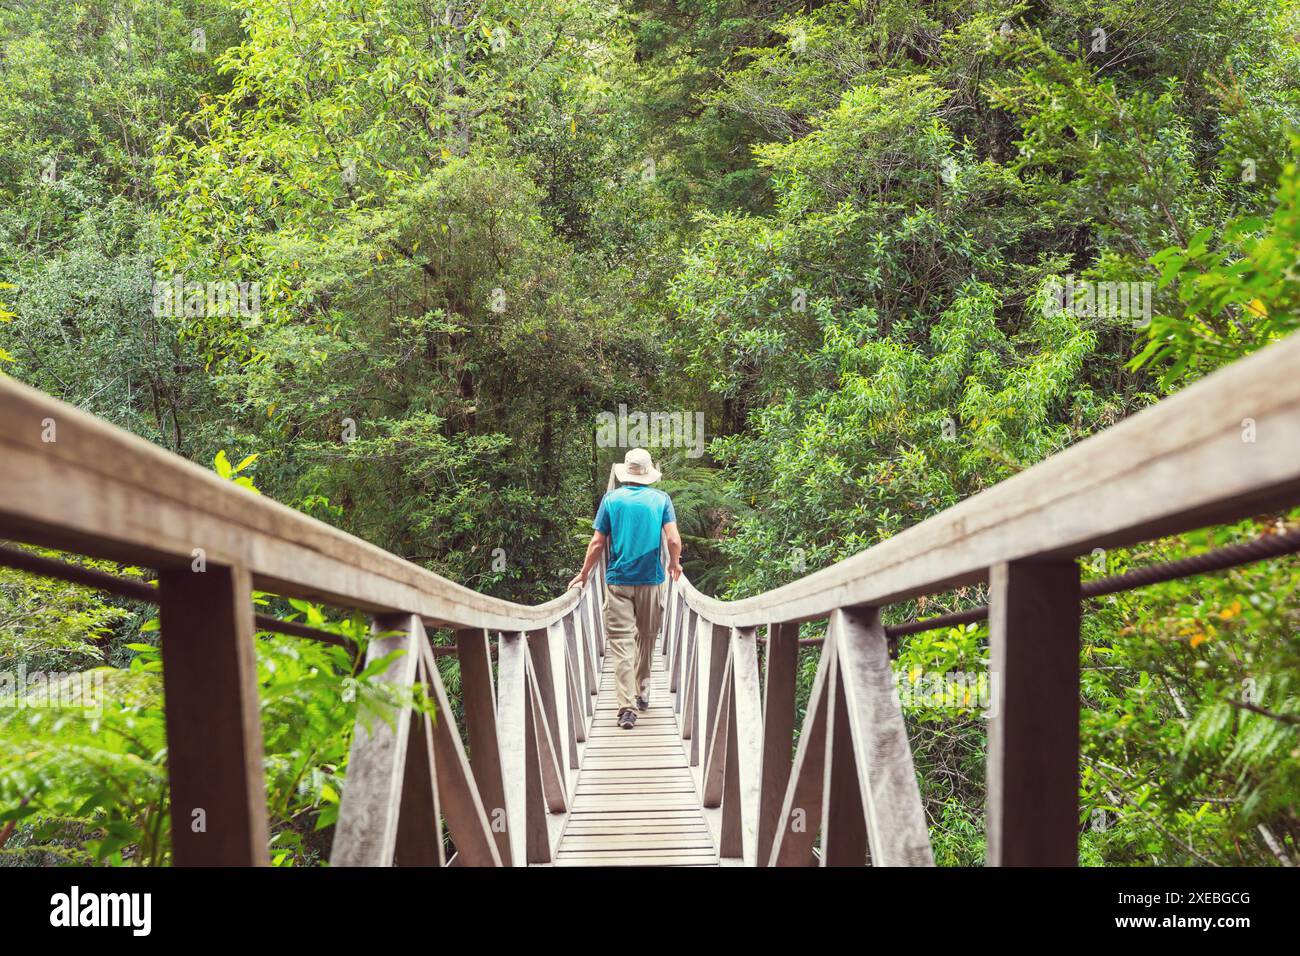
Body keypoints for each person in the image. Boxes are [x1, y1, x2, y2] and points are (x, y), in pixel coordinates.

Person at [568, 448, 682, 729]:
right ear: (648, 475)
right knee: (646, 638)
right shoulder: (661, 499)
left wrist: (583, 575)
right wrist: (675, 565)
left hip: (618, 581)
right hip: (651, 581)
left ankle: (626, 707)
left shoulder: (611, 499)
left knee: (621, 644)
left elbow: (596, 544)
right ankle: (642, 691)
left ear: (625, 474)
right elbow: (674, 540)